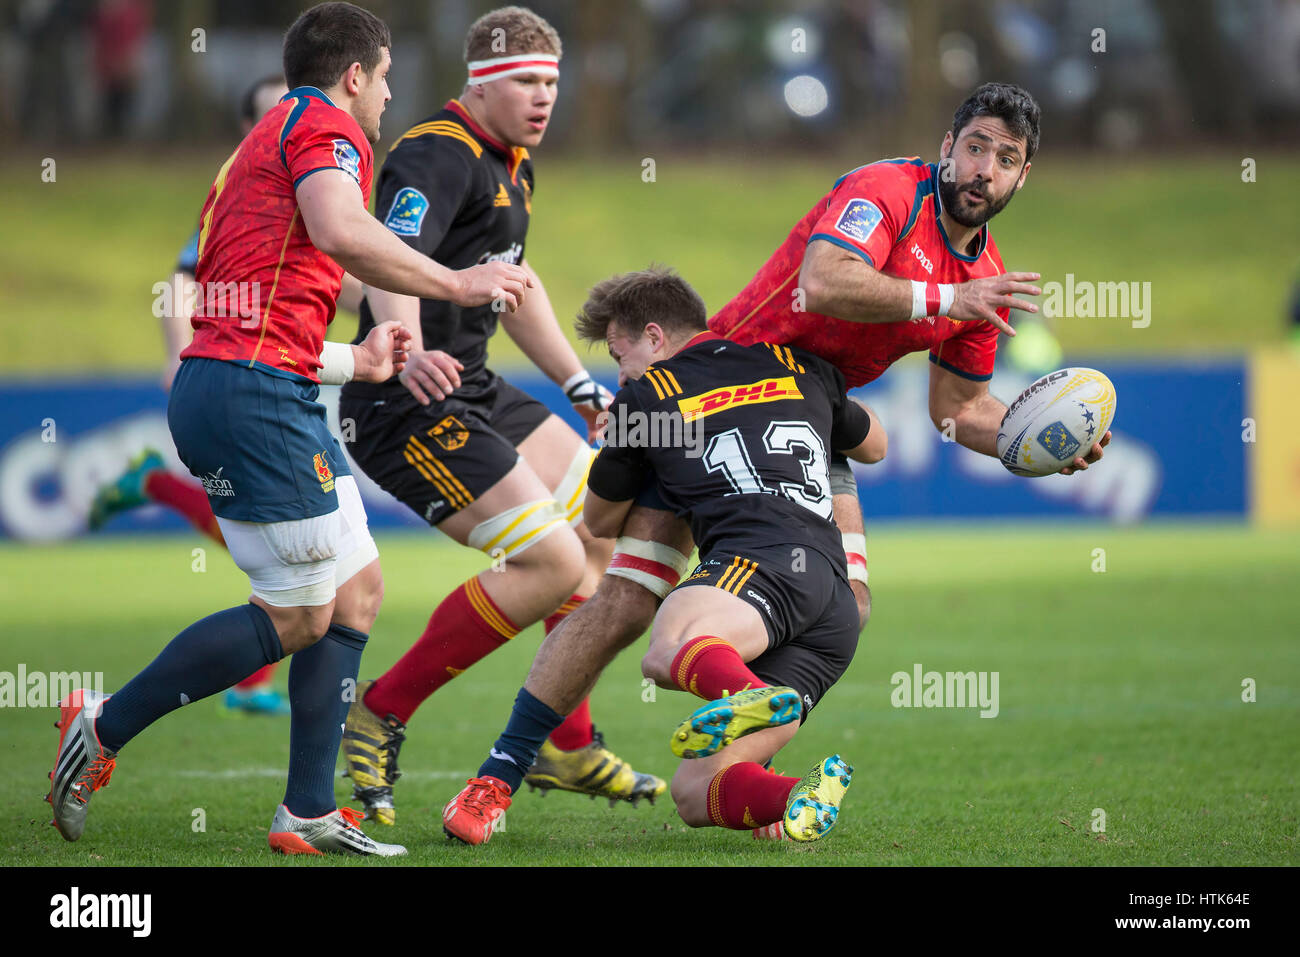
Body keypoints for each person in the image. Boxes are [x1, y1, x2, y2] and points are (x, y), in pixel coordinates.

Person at [441, 83, 1111, 843]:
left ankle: (746, 765)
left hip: (817, 410)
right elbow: (823, 279)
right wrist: (943, 302)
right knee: (626, 599)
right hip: (729, 385)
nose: (986, 168)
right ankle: (498, 778)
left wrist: (1037, 446)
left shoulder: (980, 277)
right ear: (947, 146)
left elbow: (958, 411)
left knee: (848, 606)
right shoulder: (887, 191)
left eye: (1008, 158)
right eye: (977, 146)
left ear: (1024, 177)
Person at [46, 1, 531, 857]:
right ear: (355, 75)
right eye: (383, 79)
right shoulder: (328, 128)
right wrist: (460, 285)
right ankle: (102, 721)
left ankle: (306, 809)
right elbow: (345, 233)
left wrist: (361, 364)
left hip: (258, 382)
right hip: (251, 396)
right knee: (301, 613)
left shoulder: (266, 137)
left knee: (357, 590)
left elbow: (268, 305)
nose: (387, 97)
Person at [337, 5, 661, 827]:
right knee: (554, 565)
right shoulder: (435, 155)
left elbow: (516, 282)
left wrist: (580, 384)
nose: (544, 96)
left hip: (474, 387)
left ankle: (567, 744)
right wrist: (404, 346)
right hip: (403, 403)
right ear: (480, 85)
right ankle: (380, 710)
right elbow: (379, 252)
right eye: (525, 81)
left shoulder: (511, 160)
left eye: (552, 81)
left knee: (605, 515)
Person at [442, 267, 886, 843]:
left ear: (654, 337)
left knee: (666, 648)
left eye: (620, 354)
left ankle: (747, 693)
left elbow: (597, 523)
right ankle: (793, 793)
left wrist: (629, 443)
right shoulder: (797, 365)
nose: (619, 372)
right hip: (832, 608)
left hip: (760, 567)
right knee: (695, 793)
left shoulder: (643, 398)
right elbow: (874, 444)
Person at [89, 73, 316, 717]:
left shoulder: (316, 188)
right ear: (251, 133)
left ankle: (153, 485)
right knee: (296, 539)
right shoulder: (242, 197)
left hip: (295, 371)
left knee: (295, 541)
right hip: (245, 380)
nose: (296, 126)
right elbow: (183, 278)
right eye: (275, 115)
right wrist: (178, 352)